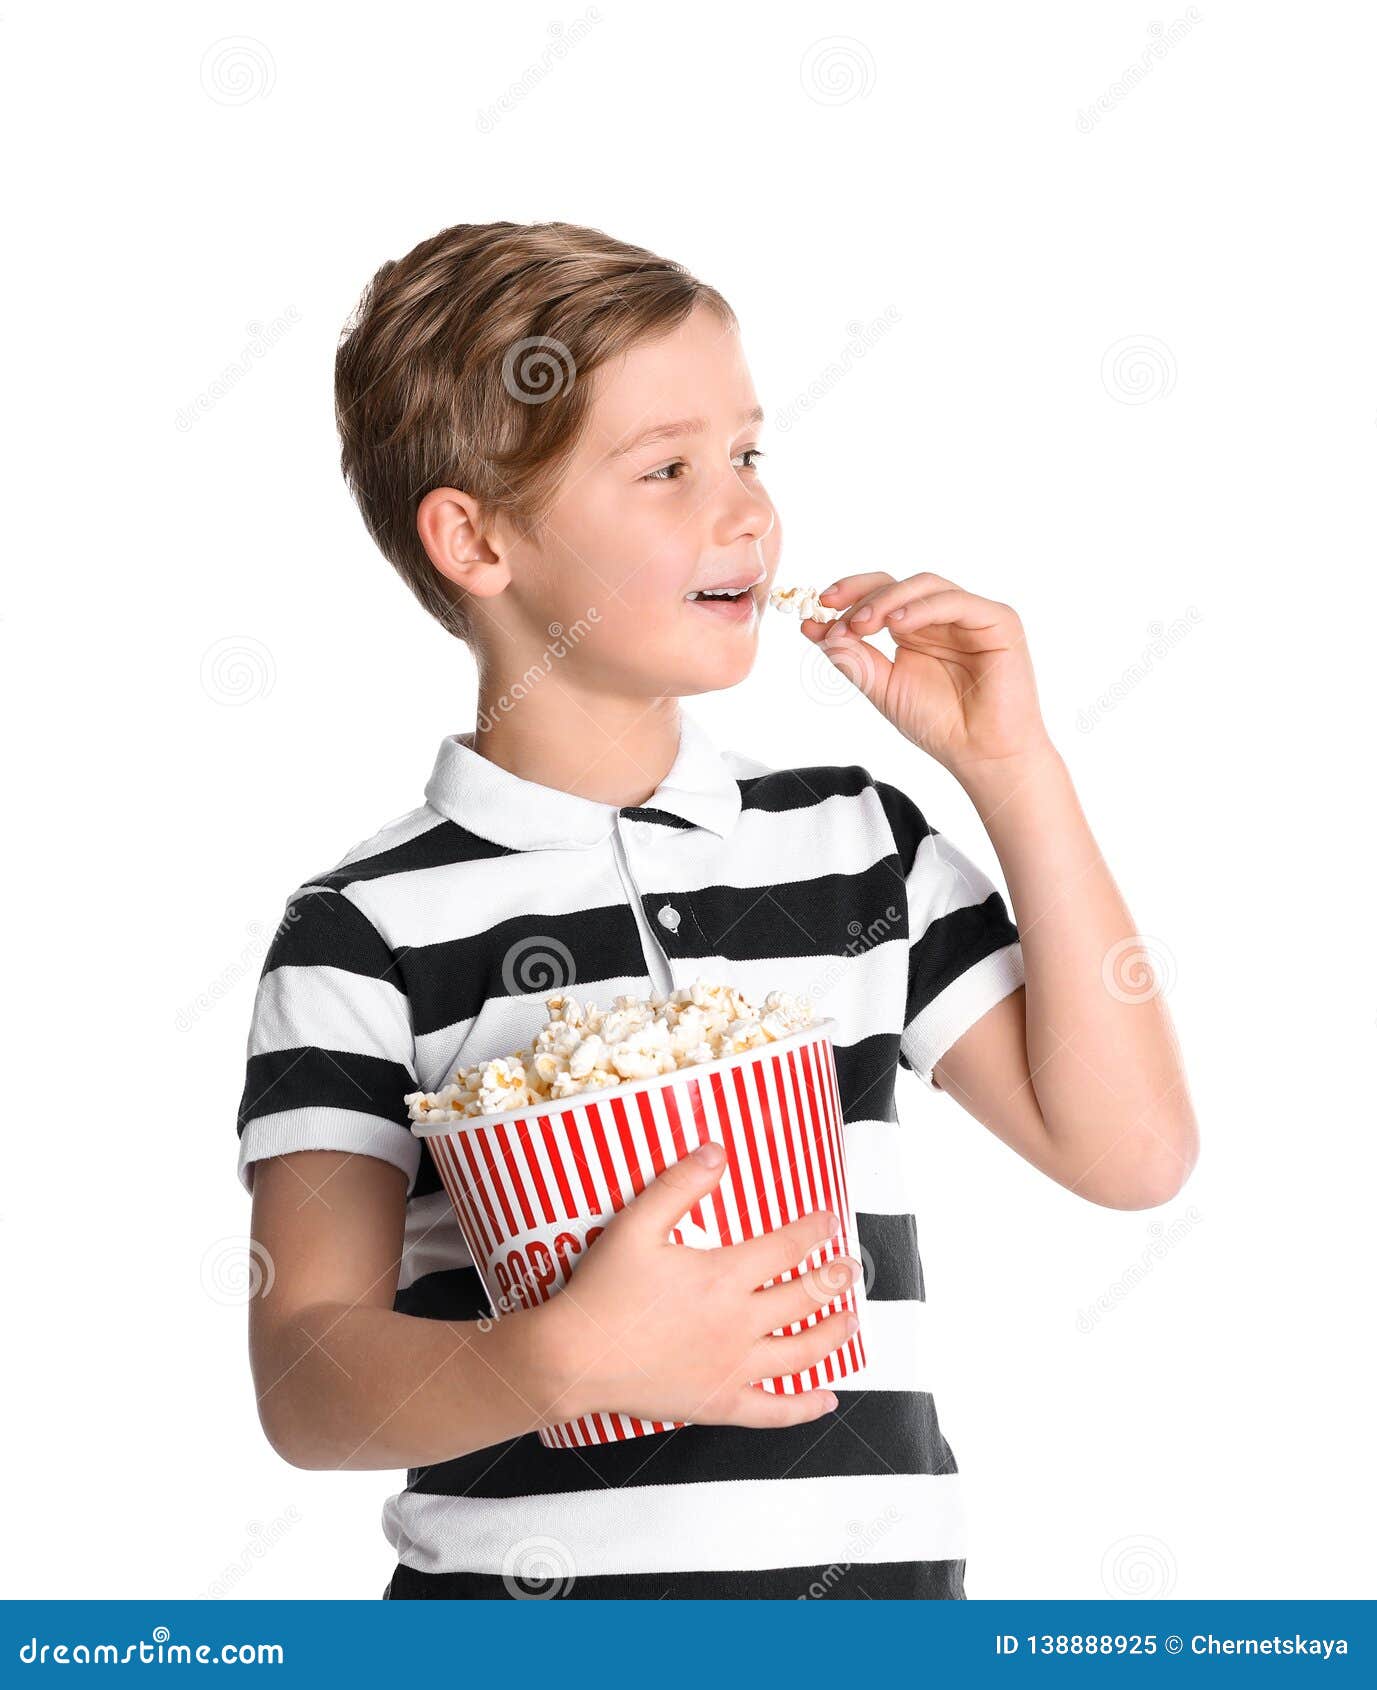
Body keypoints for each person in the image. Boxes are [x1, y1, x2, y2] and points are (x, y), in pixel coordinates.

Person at [236, 221, 1199, 1599]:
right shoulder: (363, 931)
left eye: (746, 453)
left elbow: (1133, 1152)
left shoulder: (850, 841)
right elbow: (307, 1378)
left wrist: (1010, 769)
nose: (743, 511)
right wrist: (557, 1357)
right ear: (474, 536)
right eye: (666, 468)